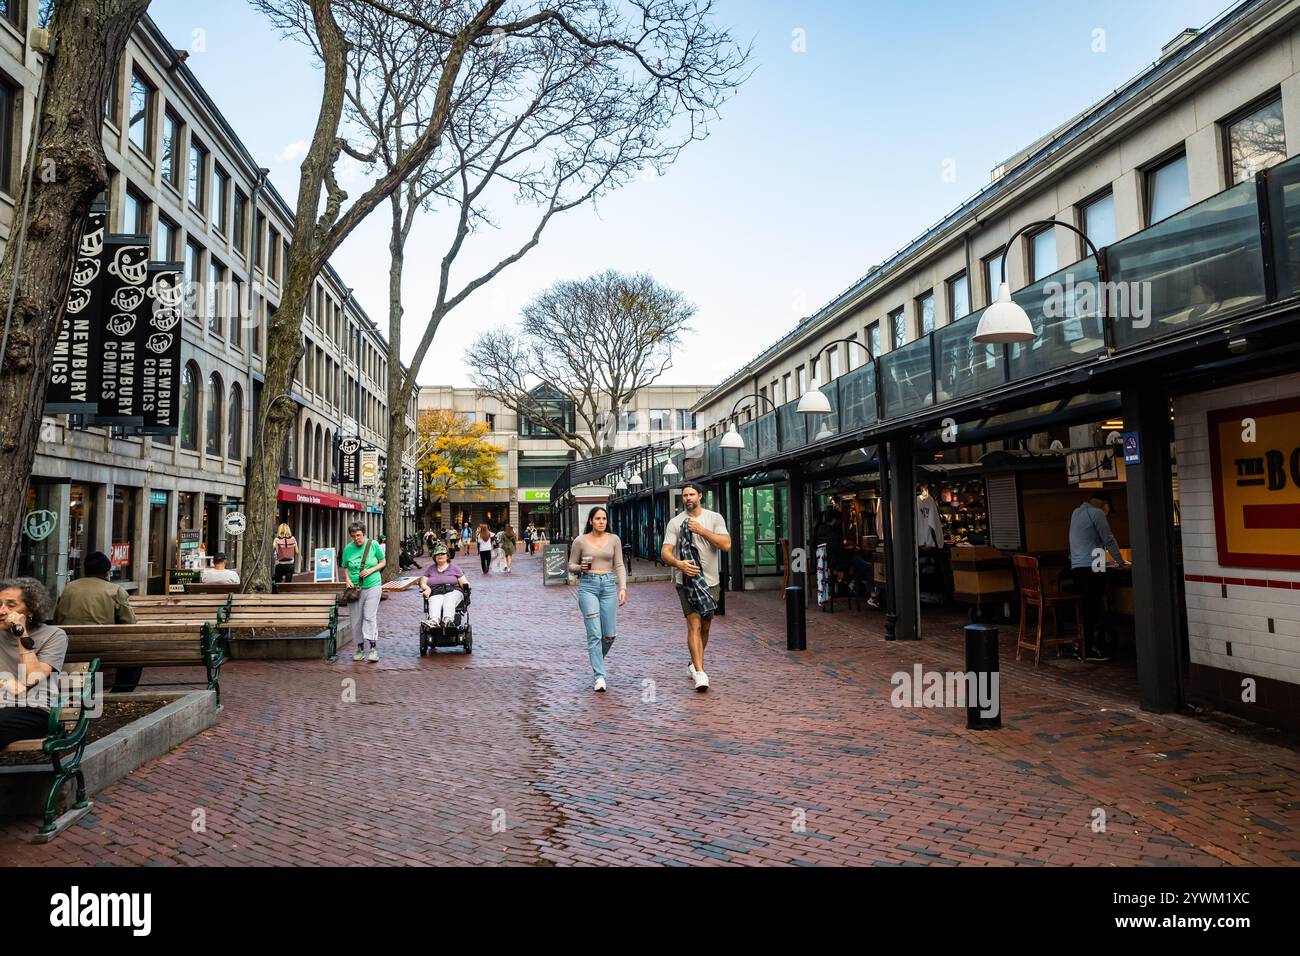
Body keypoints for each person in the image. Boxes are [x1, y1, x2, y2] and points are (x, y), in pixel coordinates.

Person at [661, 482, 731, 692]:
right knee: (694, 624)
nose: (688, 498)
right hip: (687, 583)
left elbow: (726, 545)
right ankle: (700, 673)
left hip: (710, 582)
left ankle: (694, 662)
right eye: (684, 495)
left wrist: (702, 531)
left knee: (706, 625)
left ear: (700, 496)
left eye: (691, 494)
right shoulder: (675, 522)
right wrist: (679, 564)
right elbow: (665, 552)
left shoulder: (714, 518)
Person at [0, 578, 70, 750]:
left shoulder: (54, 636)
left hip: (33, 708)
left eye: (10, 605)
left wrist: (21, 634)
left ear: (31, 610)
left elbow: (32, 677)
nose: (2, 611)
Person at [54, 551, 138, 692]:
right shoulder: (115, 590)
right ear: (107, 572)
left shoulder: (69, 588)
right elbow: (129, 623)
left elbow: (57, 618)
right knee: (134, 657)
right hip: (102, 648)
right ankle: (119, 692)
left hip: (69, 646)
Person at [567, 507, 626, 692]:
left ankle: (596, 659)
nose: (602, 521)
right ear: (591, 520)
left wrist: (622, 587)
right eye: (598, 518)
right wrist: (581, 567)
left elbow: (619, 564)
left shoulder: (614, 539)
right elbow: (570, 565)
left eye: (604, 518)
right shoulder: (580, 541)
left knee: (609, 634)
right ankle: (599, 676)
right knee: (594, 633)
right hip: (588, 587)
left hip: (608, 586)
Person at [1069, 490, 1127, 662]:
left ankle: (1080, 646)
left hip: (1077, 568)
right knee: (1093, 608)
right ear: (1105, 504)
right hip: (1093, 567)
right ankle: (1090, 648)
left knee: (1087, 607)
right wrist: (1121, 561)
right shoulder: (1097, 513)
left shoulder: (1076, 512)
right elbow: (1108, 539)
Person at [342, 521, 386, 662]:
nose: (356, 538)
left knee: (369, 616)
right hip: (354, 589)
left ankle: (373, 647)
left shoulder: (373, 545)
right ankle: (359, 648)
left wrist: (371, 570)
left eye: (359, 535)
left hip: (373, 585)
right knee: (356, 619)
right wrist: (347, 579)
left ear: (364, 534)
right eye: (353, 536)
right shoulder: (348, 549)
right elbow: (345, 566)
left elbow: (382, 561)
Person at [418, 544, 469, 629]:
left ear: (447, 556)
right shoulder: (430, 569)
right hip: (436, 592)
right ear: (434, 557)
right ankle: (434, 621)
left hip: (453, 591)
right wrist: (426, 588)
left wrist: (466, 587)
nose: (440, 556)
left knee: (449, 599)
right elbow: (423, 582)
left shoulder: (455, 568)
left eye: (442, 554)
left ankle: (448, 620)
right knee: (435, 600)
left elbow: (464, 582)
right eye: (437, 554)